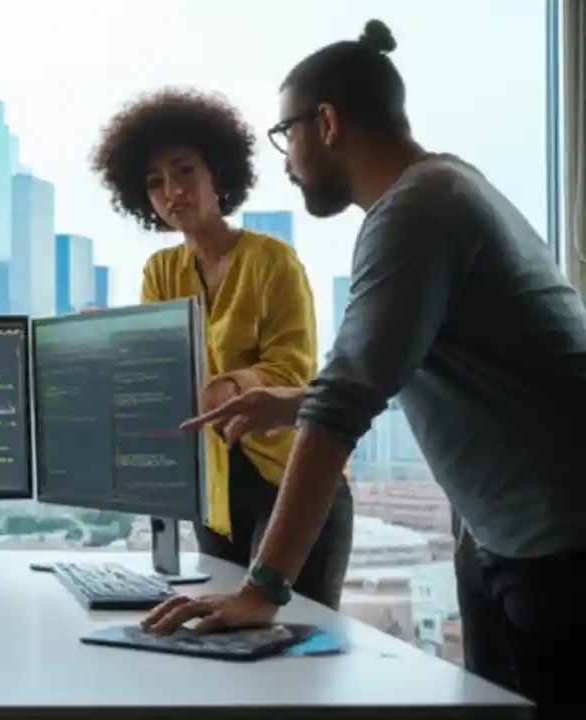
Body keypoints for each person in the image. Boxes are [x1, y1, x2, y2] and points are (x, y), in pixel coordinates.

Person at [141, 19, 586, 717]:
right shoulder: (437, 191)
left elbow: (343, 407)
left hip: (559, 545)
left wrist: (263, 589)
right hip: (504, 536)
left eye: (287, 136)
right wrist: (284, 403)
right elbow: (384, 369)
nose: (287, 162)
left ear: (326, 123)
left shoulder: (417, 211)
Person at [90, 87, 352, 608]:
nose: (172, 191)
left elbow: (291, 369)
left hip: (294, 479)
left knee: (294, 643)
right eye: (155, 183)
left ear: (218, 173)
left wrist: (230, 386)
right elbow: (163, 371)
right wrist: (117, 349)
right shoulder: (160, 271)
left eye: (184, 170)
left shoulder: (273, 261)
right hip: (216, 489)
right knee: (223, 639)